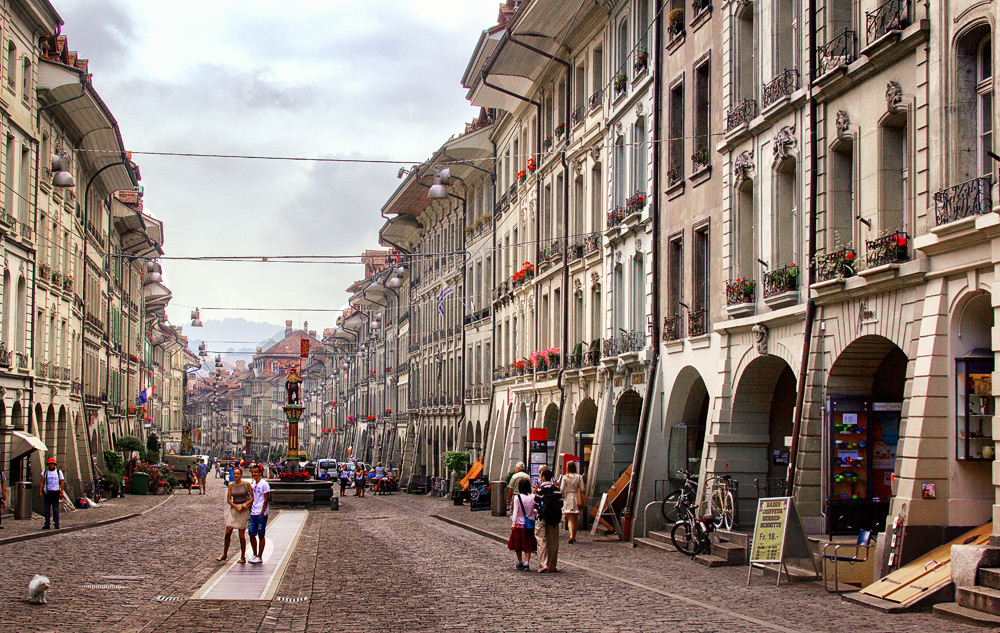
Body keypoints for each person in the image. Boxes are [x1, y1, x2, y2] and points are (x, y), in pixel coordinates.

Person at [217, 466, 253, 563]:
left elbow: (252, 497)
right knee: (228, 532)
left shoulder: (246, 484)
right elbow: (229, 499)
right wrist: (236, 507)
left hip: (243, 509)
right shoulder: (230, 485)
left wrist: (245, 504)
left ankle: (243, 556)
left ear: (241, 475)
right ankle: (224, 554)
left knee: (241, 535)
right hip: (234, 509)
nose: (236, 475)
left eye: (238, 474)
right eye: (235, 474)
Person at [533, 467, 562, 573]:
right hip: (554, 519)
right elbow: (561, 503)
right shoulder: (556, 489)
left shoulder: (540, 489)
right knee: (553, 541)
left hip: (542, 517)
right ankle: (552, 565)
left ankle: (543, 563)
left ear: (544, 477)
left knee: (541, 540)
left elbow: (535, 504)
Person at [508, 478, 537, 571]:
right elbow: (534, 510)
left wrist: (513, 523)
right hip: (529, 524)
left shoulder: (517, 497)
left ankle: (520, 561)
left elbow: (515, 511)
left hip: (519, 524)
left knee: (518, 544)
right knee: (528, 544)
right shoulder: (533, 497)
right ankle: (527, 562)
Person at [247, 464, 270, 565]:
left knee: (261, 535)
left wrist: (262, 512)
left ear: (260, 473)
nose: (254, 474)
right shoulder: (253, 484)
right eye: (252, 472)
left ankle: (260, 556)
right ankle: (254, 554)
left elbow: (266, 499)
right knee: (251, 533)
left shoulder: (264, 484)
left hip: (261, 513)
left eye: (255, 472)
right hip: (253, 512)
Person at [559, 461, 585, 543]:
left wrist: (563, 495)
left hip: (568, 497)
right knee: (575, 519)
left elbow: (561, 488)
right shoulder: (579, 477)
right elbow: (582, 488)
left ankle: (570, 535)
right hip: (576, 497)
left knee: (570, 519)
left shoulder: (565, 477)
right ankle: (574, 536)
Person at [39, 457, 65, 530]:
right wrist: (40, 491)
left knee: (55, 509)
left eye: (52, 464)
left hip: (55, 492)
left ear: (54, 465)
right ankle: (47, 524)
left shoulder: (58, 472)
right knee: (47, 510)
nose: (51, 465)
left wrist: (61, 491)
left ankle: (56, 524)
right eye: (49, 464)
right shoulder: (45, 472)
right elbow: (42, 482)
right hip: (47, 492)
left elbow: (62, 482)